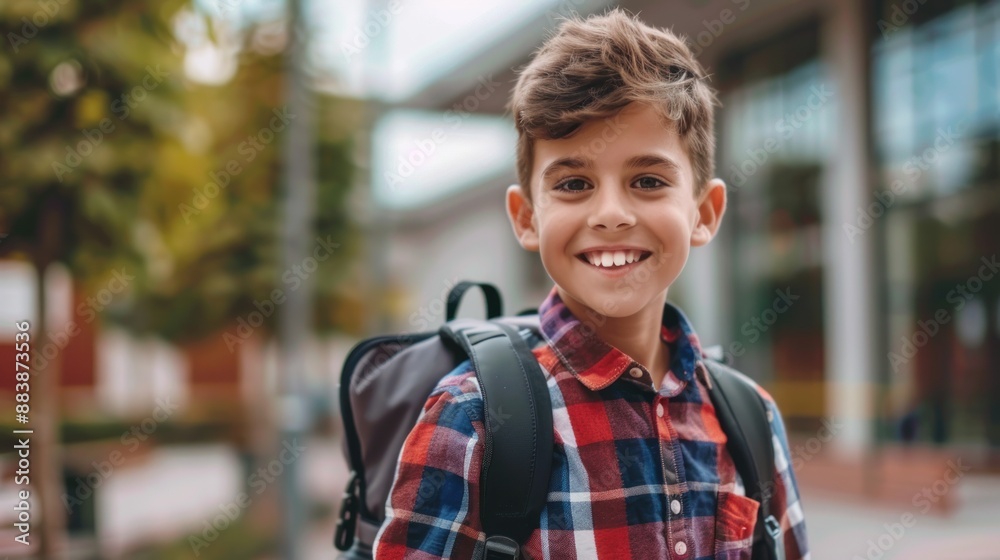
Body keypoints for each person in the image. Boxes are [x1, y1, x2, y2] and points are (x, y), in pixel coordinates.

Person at [373, 8, 808, 559]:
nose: (610, 214)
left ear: (705, 211)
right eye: (574, 183)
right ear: (527, 217)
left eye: (648, 180)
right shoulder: (472, 419)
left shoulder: (750, 418)